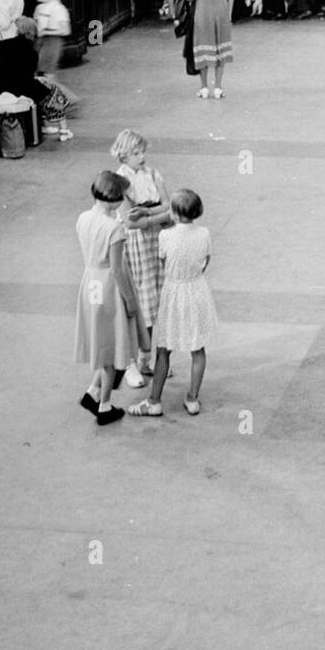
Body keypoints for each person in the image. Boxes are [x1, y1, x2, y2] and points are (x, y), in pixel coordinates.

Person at [129, 189, 217, 418]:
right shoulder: (204, 233)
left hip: (174, 292)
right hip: (197, 292)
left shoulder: (165, 236)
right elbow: (205, 262)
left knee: (164, 350)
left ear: (175, 214)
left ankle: (154, 401)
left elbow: (163, 261)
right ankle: (192, 399)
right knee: (197, 349)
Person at [74, 171, 141, 427]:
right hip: (108, 288)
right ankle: (105, 405)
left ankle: (92, 392)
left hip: (89, 280)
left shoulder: (83, 218)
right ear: (114, 199)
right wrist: (130, 299)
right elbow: (116, 268)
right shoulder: (115, 228)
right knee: (111, 349)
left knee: (98, 338)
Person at [111, 129, 171, 392]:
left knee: (155, 302)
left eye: (143, 151)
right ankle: (130, 363)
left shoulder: (153, 174)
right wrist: (157, 214)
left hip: (155, 242)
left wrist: (147, 212)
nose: (141, 156)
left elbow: (168, 203)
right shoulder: (119, 180)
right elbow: (128, 220)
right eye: (136, 153)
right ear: (123, 154)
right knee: (137, 305)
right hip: (134, 247)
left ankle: (146, 360)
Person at [185, 0, 234, 98]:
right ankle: (218, 87)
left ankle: (204, 87)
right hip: (221, 7)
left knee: (203, 46)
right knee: (220, 46)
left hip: (203, 8)